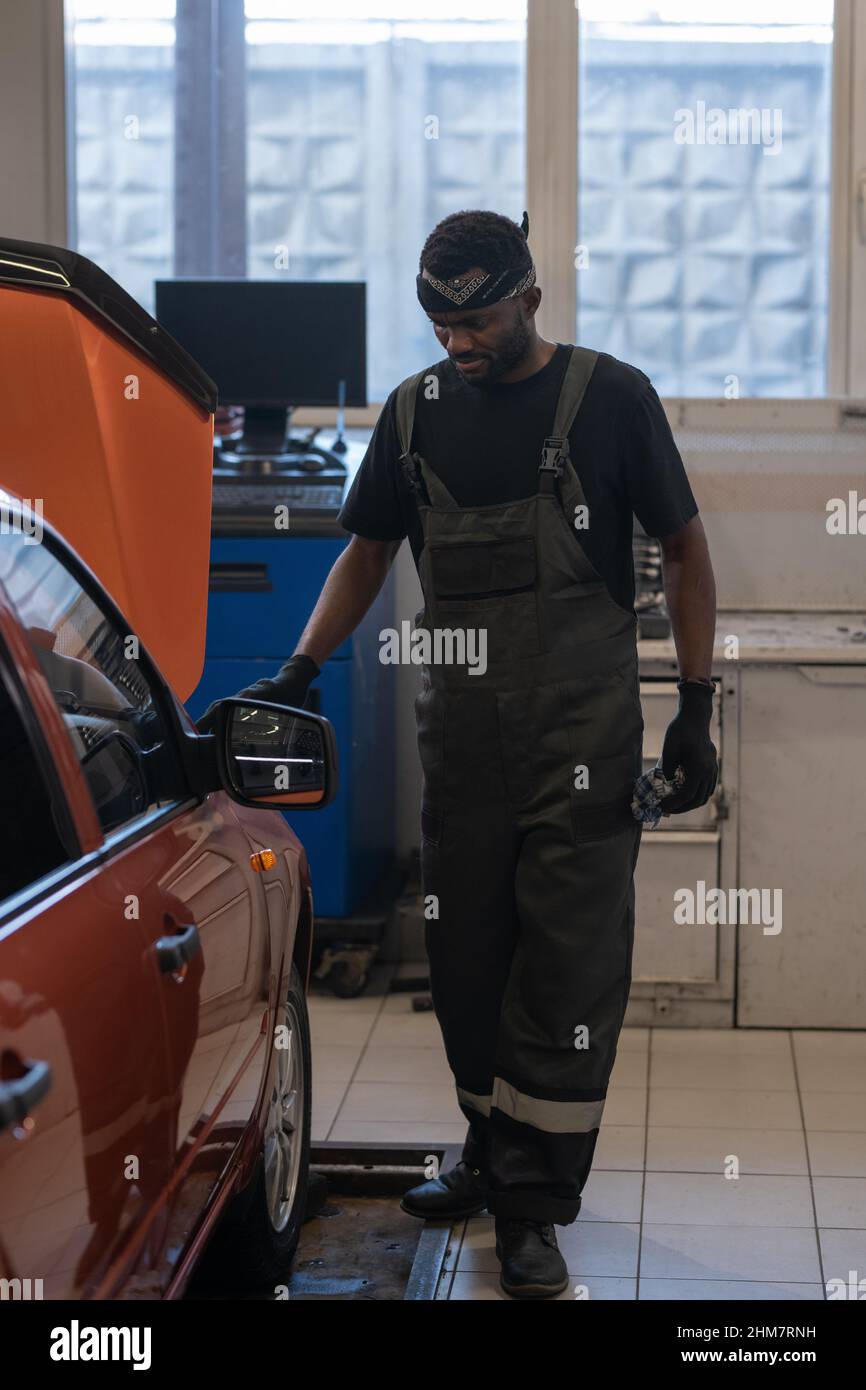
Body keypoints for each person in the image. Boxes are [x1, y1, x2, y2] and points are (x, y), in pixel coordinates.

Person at [200, 209, 718, 1299]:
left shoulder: (609, 399)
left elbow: (681, 546)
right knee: (465, 960)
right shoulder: (414, 413)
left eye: (476, 320)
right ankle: (487, 1150)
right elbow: (366, 548)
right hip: (465, 746)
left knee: (564, 970)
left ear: (529, 296)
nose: (458, 345)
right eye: (439, 323)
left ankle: (534, 1207)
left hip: (580, 742)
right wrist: (299, 667)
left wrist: (694, 706)